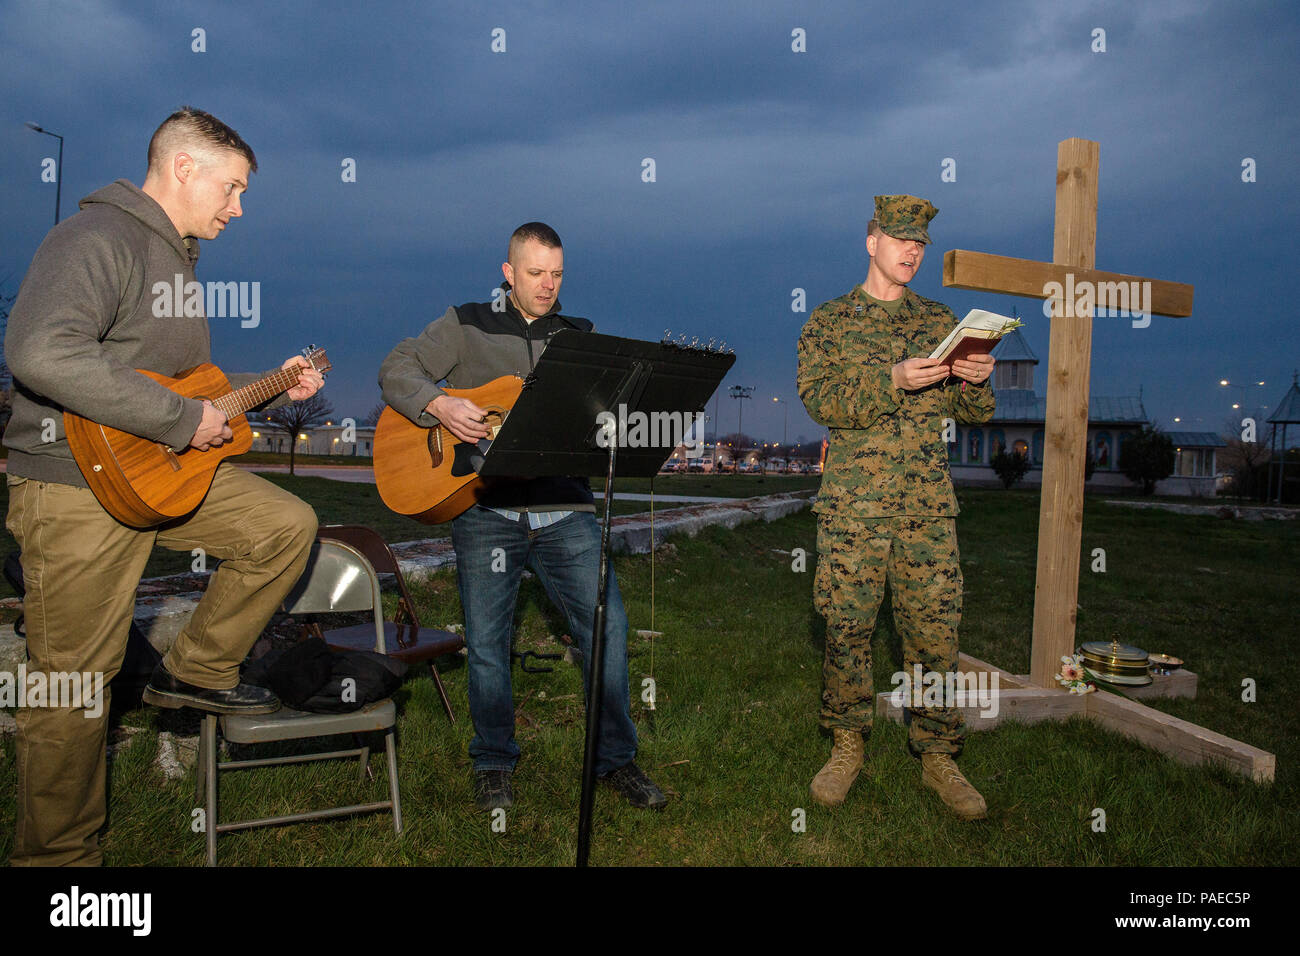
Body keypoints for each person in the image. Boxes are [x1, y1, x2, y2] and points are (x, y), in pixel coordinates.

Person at [4, 107, 324, 865]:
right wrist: (182, 418)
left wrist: (276, 385)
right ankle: (57, 864)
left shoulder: (177, 260)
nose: (239, 207)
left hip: (154, 476)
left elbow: (188, 390)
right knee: (76, 685)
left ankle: (194, 672)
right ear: (183, 168)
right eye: (234, 187)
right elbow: (40, 350)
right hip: (73, 487)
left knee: (283, 526)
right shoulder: (96, 237)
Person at [378, 222, 665, 812]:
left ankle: (616, 759)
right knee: (486, 644)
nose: (547, 286)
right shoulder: (465, 324)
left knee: (606, 630)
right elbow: (396, 368)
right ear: (508, 273)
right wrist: (440, 404)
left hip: (566, 510)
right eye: (535, 274)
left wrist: (634, 428)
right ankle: (493, 762)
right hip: (485, 510)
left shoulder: (579, 337)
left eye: (557, 274)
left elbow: (603, 424)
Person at [796, 195, 995, 820]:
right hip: (856, 507)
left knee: (935, 633)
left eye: (921, 244)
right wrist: (892, 379)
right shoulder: (828, 322)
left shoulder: (940, 320)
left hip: (928, 510)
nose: (912, 251)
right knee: (848, 628)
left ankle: (938, 751)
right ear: (871, 241)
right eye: (901, 239)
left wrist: (976, 380)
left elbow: (973, 415)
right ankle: (847, 744)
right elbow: (820, 400)